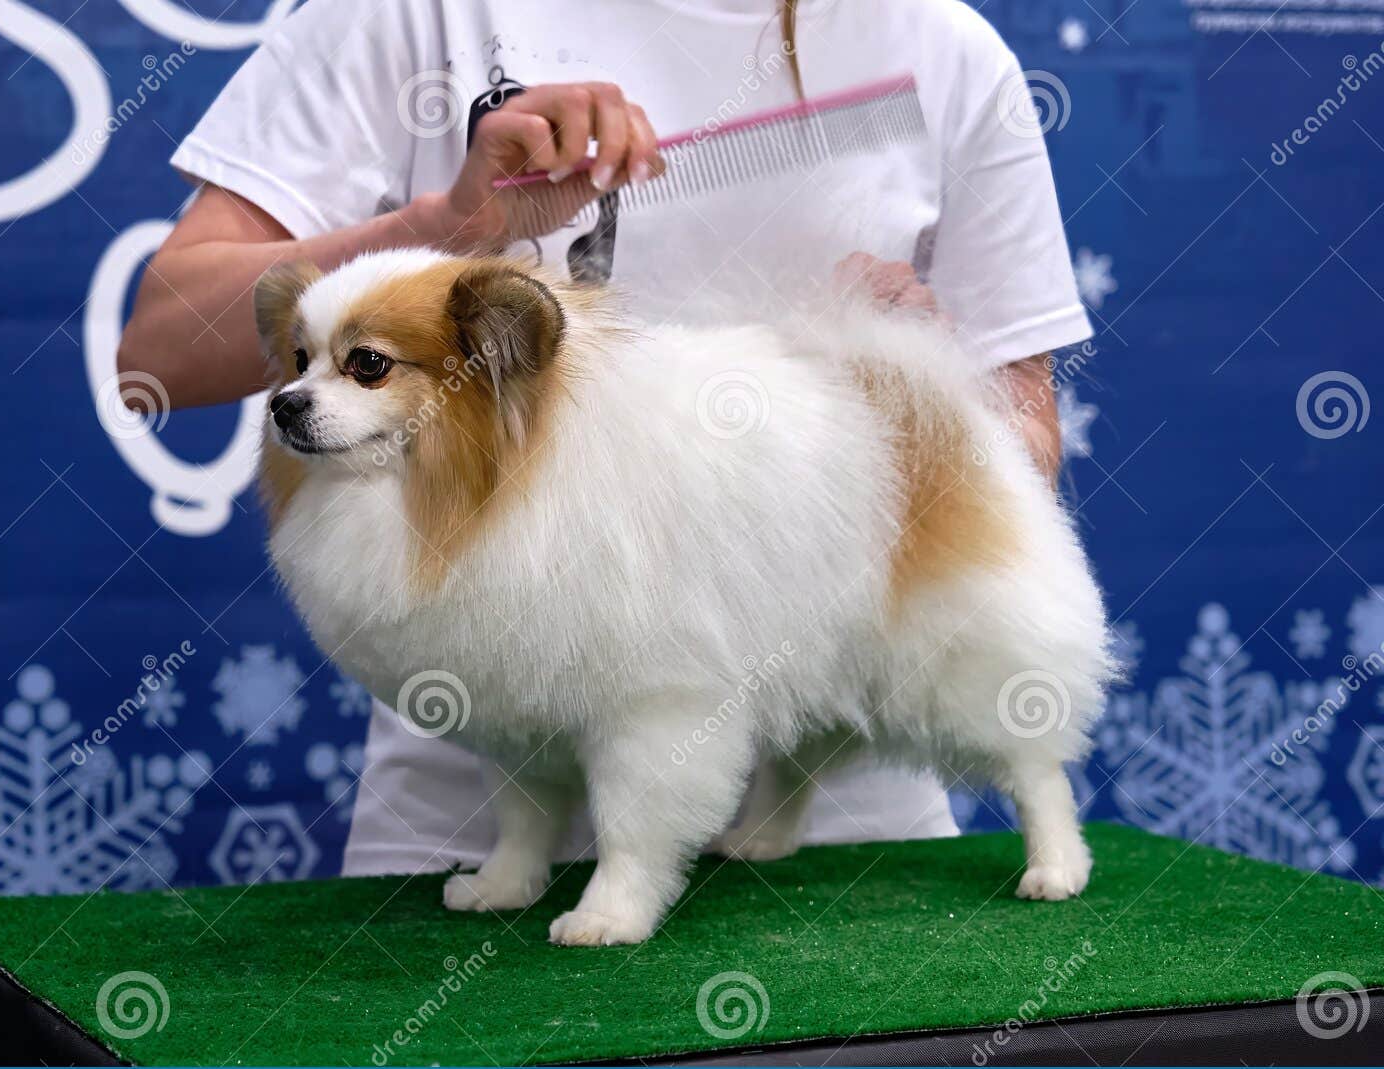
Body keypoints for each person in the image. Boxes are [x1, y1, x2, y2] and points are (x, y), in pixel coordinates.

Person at [119, 0, 1092, 877]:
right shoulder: (405, 15)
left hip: (845, 853)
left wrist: (926, 388)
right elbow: (156, 350)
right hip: (454, 833)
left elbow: (1022, 449)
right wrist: (443, 226)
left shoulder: (941, 44)